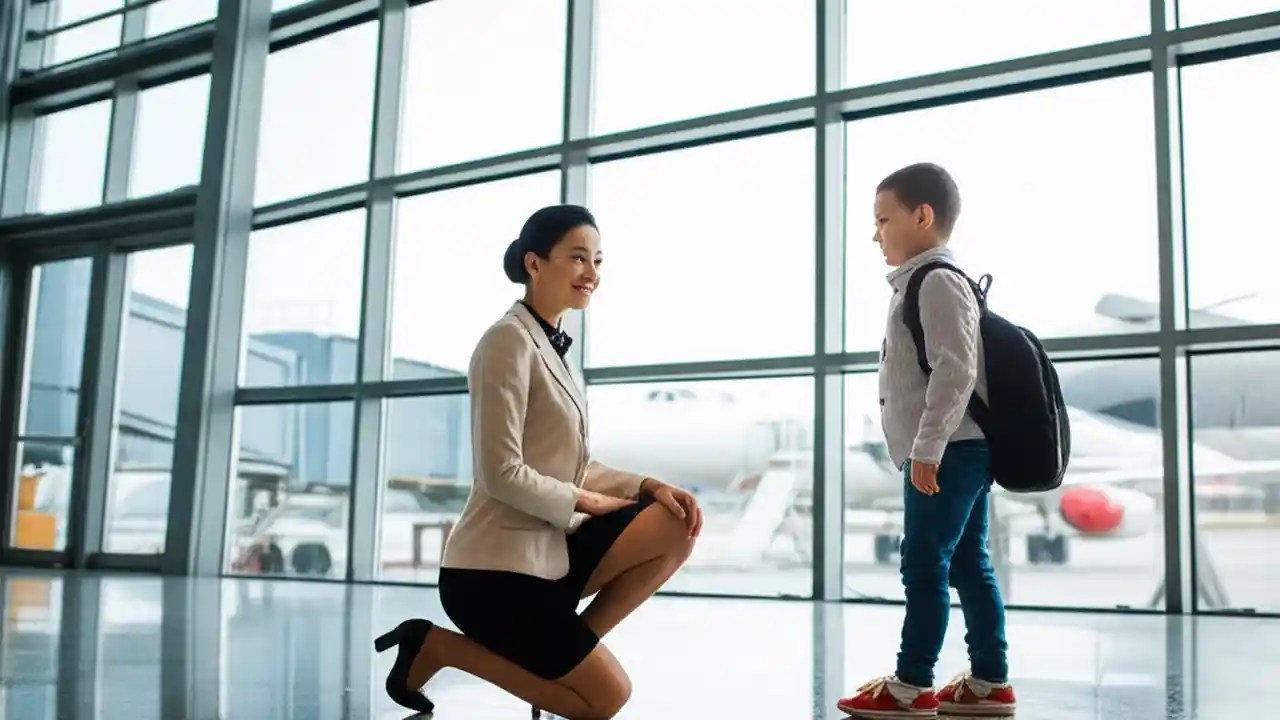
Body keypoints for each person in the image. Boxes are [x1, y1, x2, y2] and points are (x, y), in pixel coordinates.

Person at [374, 204, 702, 720]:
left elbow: (572, 463)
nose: (591, 273)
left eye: (597, 260)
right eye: (577, 258)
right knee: (605, 701)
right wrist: (589, 502)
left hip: (548, 562)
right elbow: (500, 471)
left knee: (676, 521)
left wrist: (646, 485)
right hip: (492, 575)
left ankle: (549, 663)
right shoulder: (506, 341)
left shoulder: (554, 349)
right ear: (534, 263)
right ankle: (438, 646)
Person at [838, 163, 1016, 718]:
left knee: (923, 563)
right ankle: (991, 681)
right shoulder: (926, 281)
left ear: (923, 216)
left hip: (951, 449)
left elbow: (955, 370)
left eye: (882, 219)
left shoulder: (935, 280)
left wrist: (927, 449)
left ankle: (912, 683)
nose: (875, 234)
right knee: (966, 564)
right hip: (960, 446)